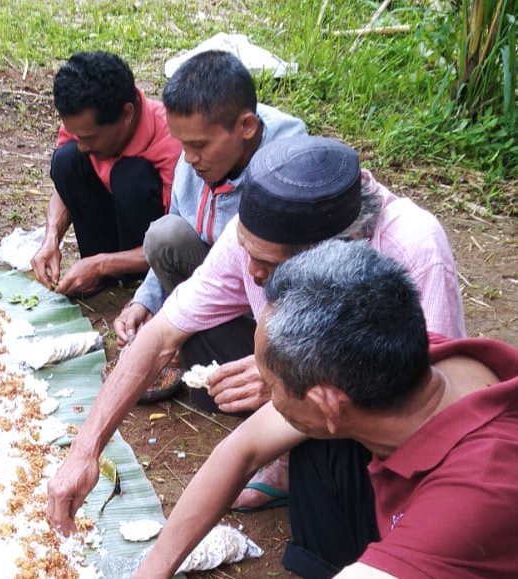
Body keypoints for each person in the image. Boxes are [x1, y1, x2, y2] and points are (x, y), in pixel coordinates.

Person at [46, 135, 465, 527]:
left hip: (372, 420)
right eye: (247, 251)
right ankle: (288, 459)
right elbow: (158, 338)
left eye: (267, 264)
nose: (251, 271)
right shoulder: (255, 235)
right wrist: (86, 450)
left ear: (326, 259)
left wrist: (291, 381)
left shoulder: (415, 248)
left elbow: (426, 401)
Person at [130, 240, 518, 579]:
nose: (264, 390)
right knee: (319, 443)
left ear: (327, 403)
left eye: (270, 384)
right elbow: (242, 449)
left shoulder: (476, 493)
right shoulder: (395, 359)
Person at [113, 50, 305, 348]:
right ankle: (199, 328)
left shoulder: (289, 172)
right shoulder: (195, 159)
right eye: (182, 144)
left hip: (268, 294)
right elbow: (176, 224)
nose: (188, 158)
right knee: (165, 234)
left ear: (246, 127)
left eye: (199, 145)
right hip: (215, 278)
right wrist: (146, 301)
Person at [30, 51, 182, 297]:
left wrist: (101, 265)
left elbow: (176, 245)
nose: (82, 144)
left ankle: (129, 275)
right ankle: (102, 274)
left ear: (126, 114)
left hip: (152, 250)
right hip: (106, 242)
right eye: (77, 135)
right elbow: (64, 187)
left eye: (88, 138)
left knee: (130, 176)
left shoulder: (173, 145)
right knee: (67, 160)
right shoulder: (83, 125)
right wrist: (52, 237)